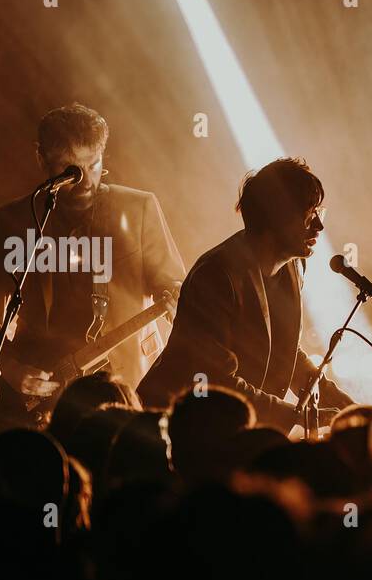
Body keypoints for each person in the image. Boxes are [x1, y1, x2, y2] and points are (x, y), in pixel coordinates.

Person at [0, 103, 186, 431]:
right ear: (41, 159)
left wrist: (177, 300)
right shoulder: (12, 222)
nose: (84, 182)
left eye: (93, 165)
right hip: (43, 398)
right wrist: (8, 368)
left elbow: (176, 288)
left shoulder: (139, 209)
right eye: (70, 170)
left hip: (125, 392)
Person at [138, 157, 354, 431]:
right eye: (310, 215)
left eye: (319, 214)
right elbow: (214, 380)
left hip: (233, 430)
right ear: (278, 218)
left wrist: (349, 408)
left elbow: (285, 352)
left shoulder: (294, 266)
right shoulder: (216, 275)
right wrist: (296, 416)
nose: (319, 227)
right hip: (177, 429)